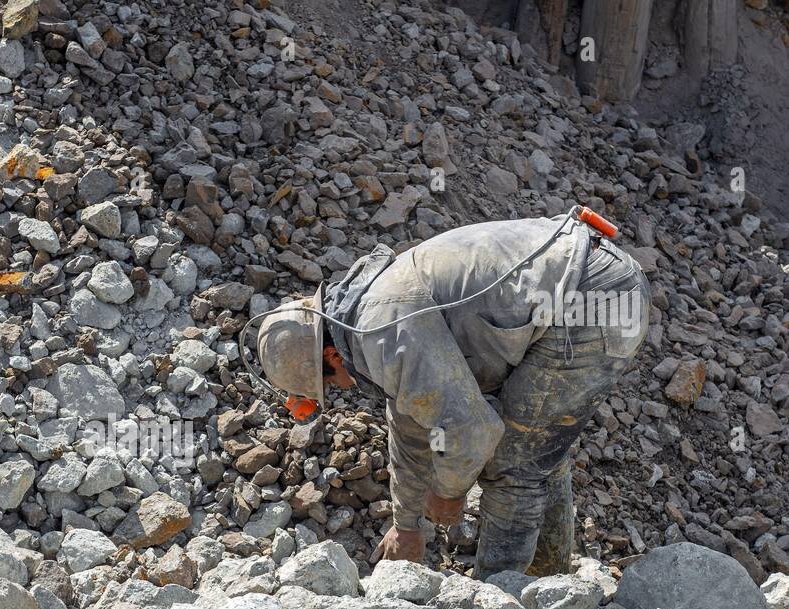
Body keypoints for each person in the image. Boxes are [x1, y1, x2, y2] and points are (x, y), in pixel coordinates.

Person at [254, 213, 651, 580]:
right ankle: (545, 579)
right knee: (537, 447)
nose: (340, 390)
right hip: (586, 281)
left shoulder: (382, 329)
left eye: (329, 384)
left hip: (594, 299)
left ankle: (499, 604)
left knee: (512, 463)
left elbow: (470, 429)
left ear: (329, 354)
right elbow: (410, 423)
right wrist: (405, 523)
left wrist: (448, 493)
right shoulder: (366, 321)